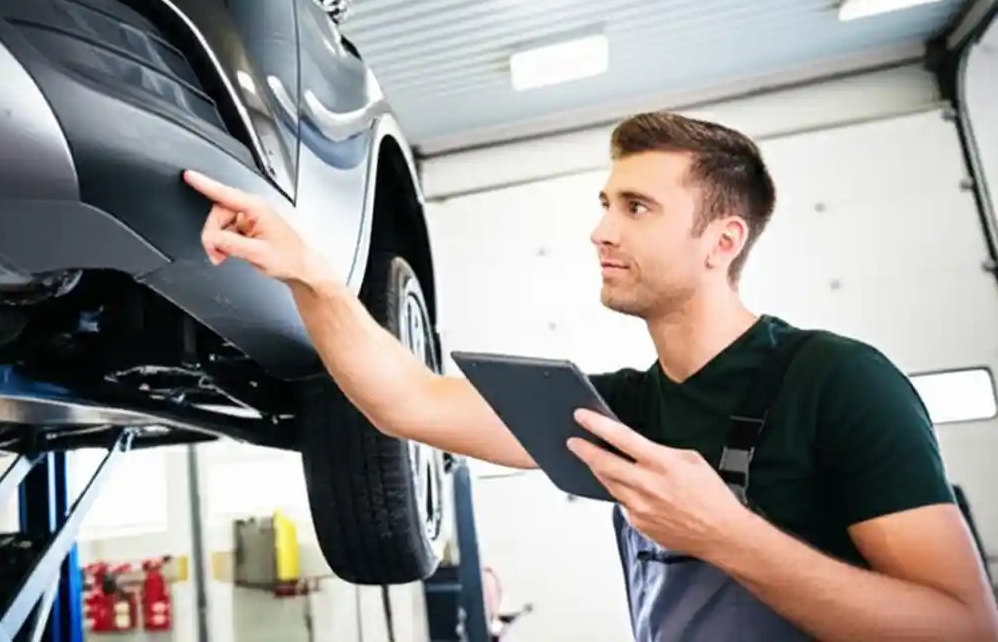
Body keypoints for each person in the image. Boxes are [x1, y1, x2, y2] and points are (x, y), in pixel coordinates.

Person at [182, 111, 998, 641]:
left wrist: (724, 532)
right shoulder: (623, 409)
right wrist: (311, 277)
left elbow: (963, 626)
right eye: (605, 202)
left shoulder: (840, 381)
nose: (599, 230)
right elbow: (405, 402)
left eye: (636, 208)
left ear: (722, 242)